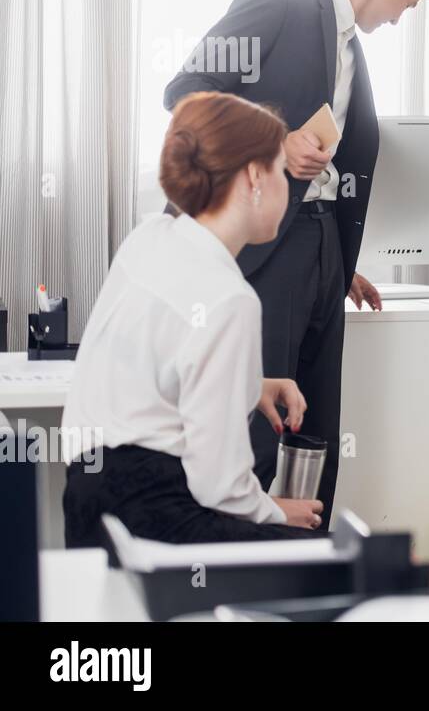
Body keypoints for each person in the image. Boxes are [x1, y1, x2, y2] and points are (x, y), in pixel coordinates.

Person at [163, 0, 429, 527]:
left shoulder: (351, 51)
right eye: (409, 4)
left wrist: (338, 263)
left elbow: (339, 167)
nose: (399, 19)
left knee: (312, 430)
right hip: (258, 250)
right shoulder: (278, 1)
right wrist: (273, 142)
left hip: (318, 254)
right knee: (258, 426)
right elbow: (186, 90)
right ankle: (236, 575)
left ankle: (303, 572)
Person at [62, 92, 324, 548]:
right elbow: (220, 487)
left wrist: (247, 384)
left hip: (89, 503)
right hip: (156, 516)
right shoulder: (232, 300)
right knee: (340, 562)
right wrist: (278, 511)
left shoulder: (150, 237)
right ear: (254, 177)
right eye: (282, 169)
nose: (289, 185)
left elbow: (153, 366)